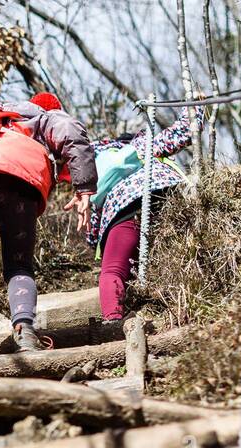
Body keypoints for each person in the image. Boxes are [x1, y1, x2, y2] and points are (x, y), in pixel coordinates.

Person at [0, 92, 97, 352]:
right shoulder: (42, 115)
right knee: (18, 267)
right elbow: (70, 131)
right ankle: (25, 332)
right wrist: (85, 187)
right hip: (18, 177)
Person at [86, 106, 205, 331]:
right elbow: (185, 131)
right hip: (168, 203)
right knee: (175, 262)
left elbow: (94, 227)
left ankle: (113, 323)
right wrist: (195, 106)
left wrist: (95, 241)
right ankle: (178, 314)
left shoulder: (97, 165)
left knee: (112, 271)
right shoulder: (143, 146)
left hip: (124, 213)